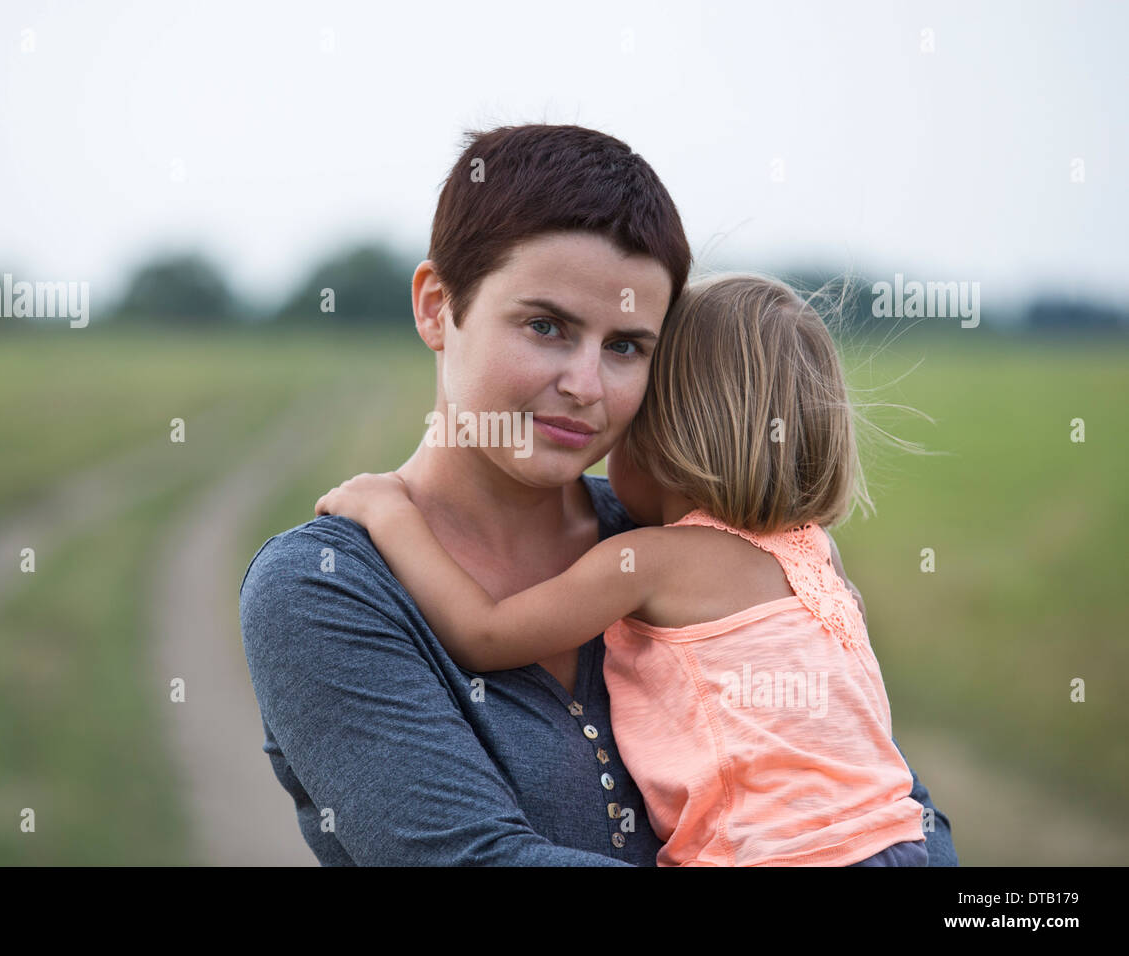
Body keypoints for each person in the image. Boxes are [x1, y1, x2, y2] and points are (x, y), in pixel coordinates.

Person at [239, 123, 957, 865]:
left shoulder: (680, 543)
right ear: (435, 306)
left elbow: (891, 806)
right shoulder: (327, 586)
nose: (585, 386)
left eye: (626, 346)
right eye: (545, 326)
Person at [315, 272, 929, 866]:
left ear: (661, 435)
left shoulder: (646, 562)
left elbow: (485, 634)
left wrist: (390, 514)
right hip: (897, 840)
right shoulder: (816, 550)